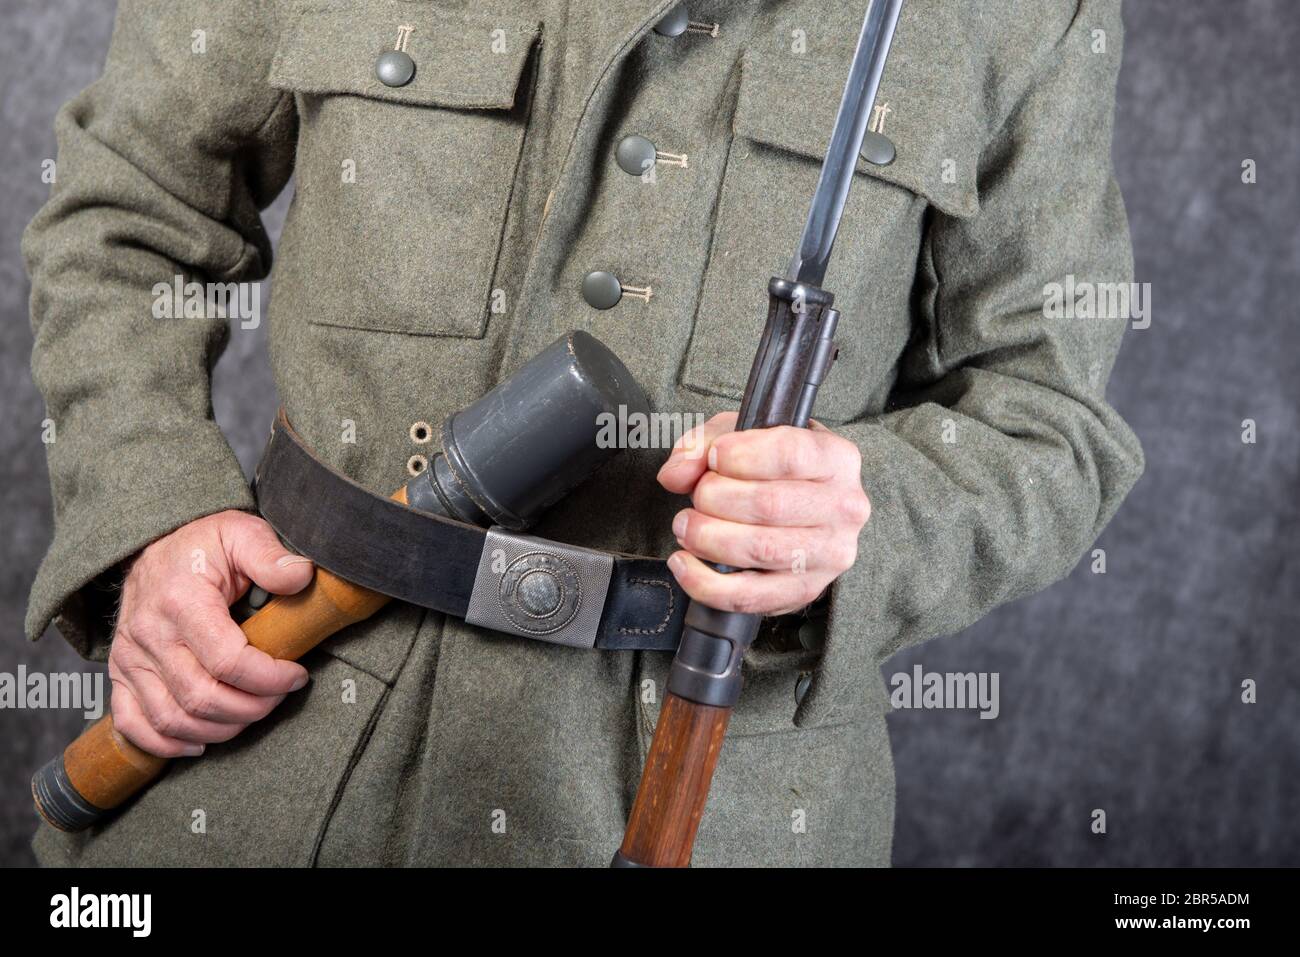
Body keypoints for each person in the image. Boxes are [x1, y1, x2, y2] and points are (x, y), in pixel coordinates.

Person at [24, 0, 1142, 866]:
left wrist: (864, 513)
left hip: (718, 790)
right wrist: (157, 522)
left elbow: (1046, 419)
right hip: (275, 728)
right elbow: (130, 218)